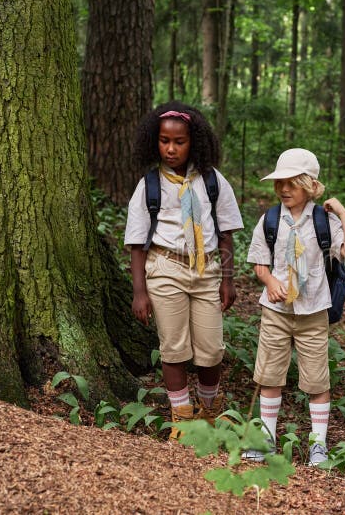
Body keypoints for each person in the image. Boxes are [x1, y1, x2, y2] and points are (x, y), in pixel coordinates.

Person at [124, 101, 243, 440]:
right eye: (164, 141)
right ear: (154, 141)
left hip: (206, 270)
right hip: (165, 268)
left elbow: (225, 234)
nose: (171, 148)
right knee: (174, 347)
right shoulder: (149, 185)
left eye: (179, 141)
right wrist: (140, 292)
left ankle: (209, 410)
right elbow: (136, 243)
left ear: (195, 142)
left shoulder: (212, 181)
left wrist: (227, 280)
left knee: (211, 348)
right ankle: (181, 416)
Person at [243, 148, 345, 466]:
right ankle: (266, 440)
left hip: (313, 312)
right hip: (276, 312)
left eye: (292, 183)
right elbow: (259, 264)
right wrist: (270, 282)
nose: (284, 189)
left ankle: (318, 445)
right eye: (280, 182)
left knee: (316, 380)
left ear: (309, 185)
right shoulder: (270, 220)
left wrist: (343, 213)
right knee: (269, 376)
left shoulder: (324, 221)